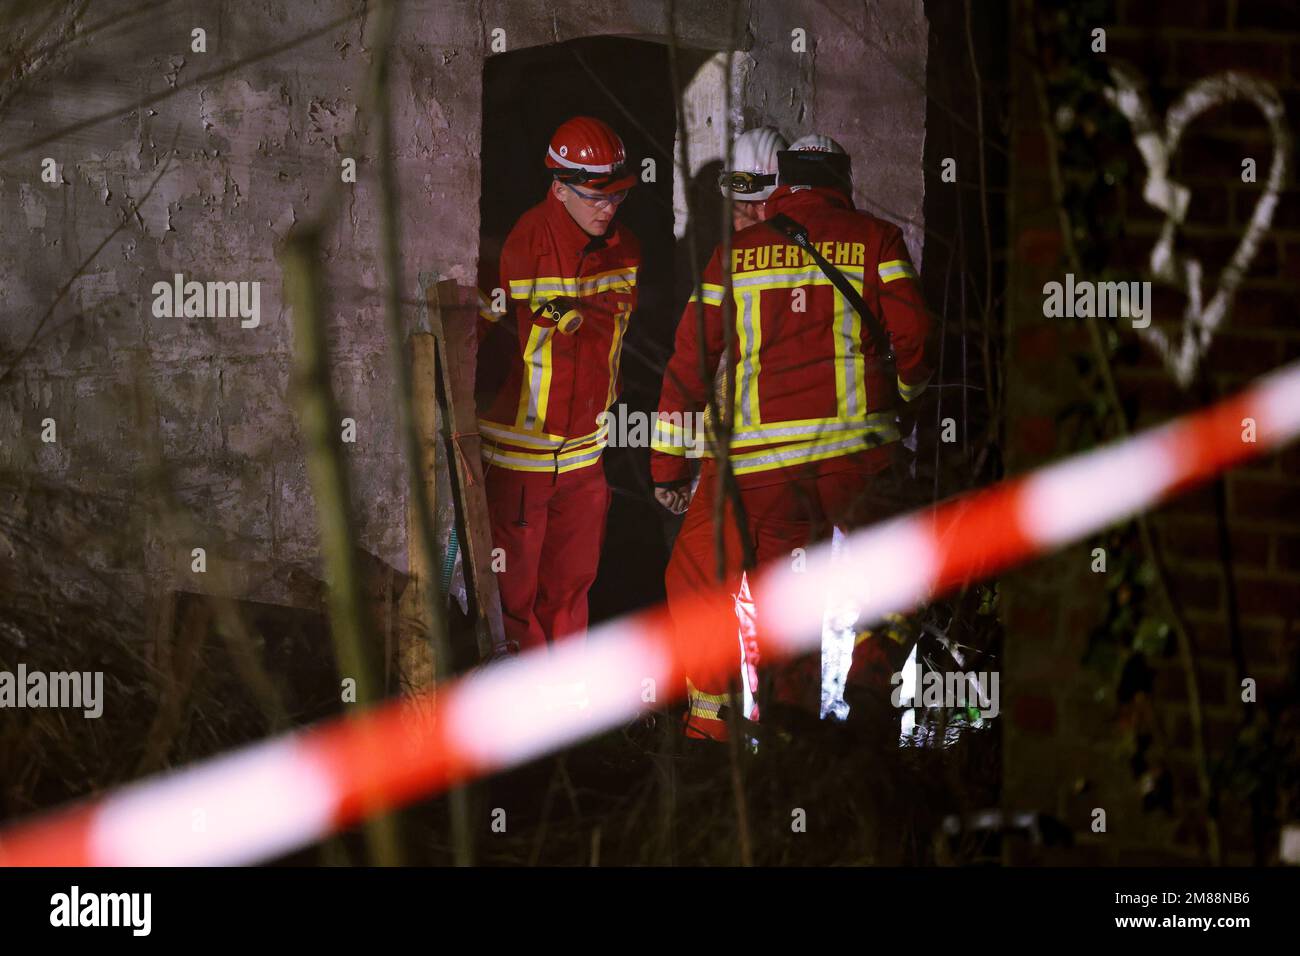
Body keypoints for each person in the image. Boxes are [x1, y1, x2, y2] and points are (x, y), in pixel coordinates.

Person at [651, 134, 933, 741]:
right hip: (857, 457)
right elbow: (916, 339)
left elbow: (688, 363)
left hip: (765, 473)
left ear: (782, 184)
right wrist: (906, 403)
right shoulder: (875, 238)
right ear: (841, 181)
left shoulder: (733, 257)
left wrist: (665, 467)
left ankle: (781, 736)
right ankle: (869, 717)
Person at [475, 116, 640, 653]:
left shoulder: (627, 250)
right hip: (521, 453)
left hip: (586, 457)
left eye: (617, 196)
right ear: (558, 185)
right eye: (596, 196)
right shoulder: (520, 246)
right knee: (512, 593)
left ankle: (566, 709)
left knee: (571, 587)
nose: (608, 208)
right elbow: (477, 339)